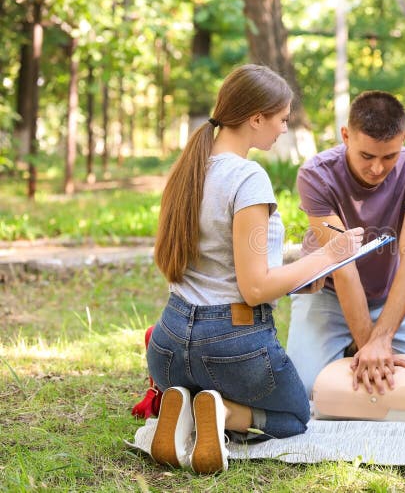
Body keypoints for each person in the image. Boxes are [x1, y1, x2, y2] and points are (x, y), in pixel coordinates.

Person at [145, 64, 365, 474]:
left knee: (202, 374)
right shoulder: (247, 177)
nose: (284, 128)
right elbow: (254, 288)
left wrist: (304, 273)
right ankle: (220, 413)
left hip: (168, 347)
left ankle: (189, 407)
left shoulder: (188, 170)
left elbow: (222, 268)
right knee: (295, 416)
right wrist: (329, 255)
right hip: (231, 348)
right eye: (282, 119)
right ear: (256, 118)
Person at [287, 90, 405, 397]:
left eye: (389, 157)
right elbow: (343, 268)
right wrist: (367, 346)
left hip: (385, 298)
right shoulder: (316, 175)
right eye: (366, 156)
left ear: (403, 138)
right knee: (305, 390)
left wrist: (381, 340)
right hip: (327, 295)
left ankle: (353, 349)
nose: (377, 169)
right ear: (346, 136)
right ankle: (347, 346)